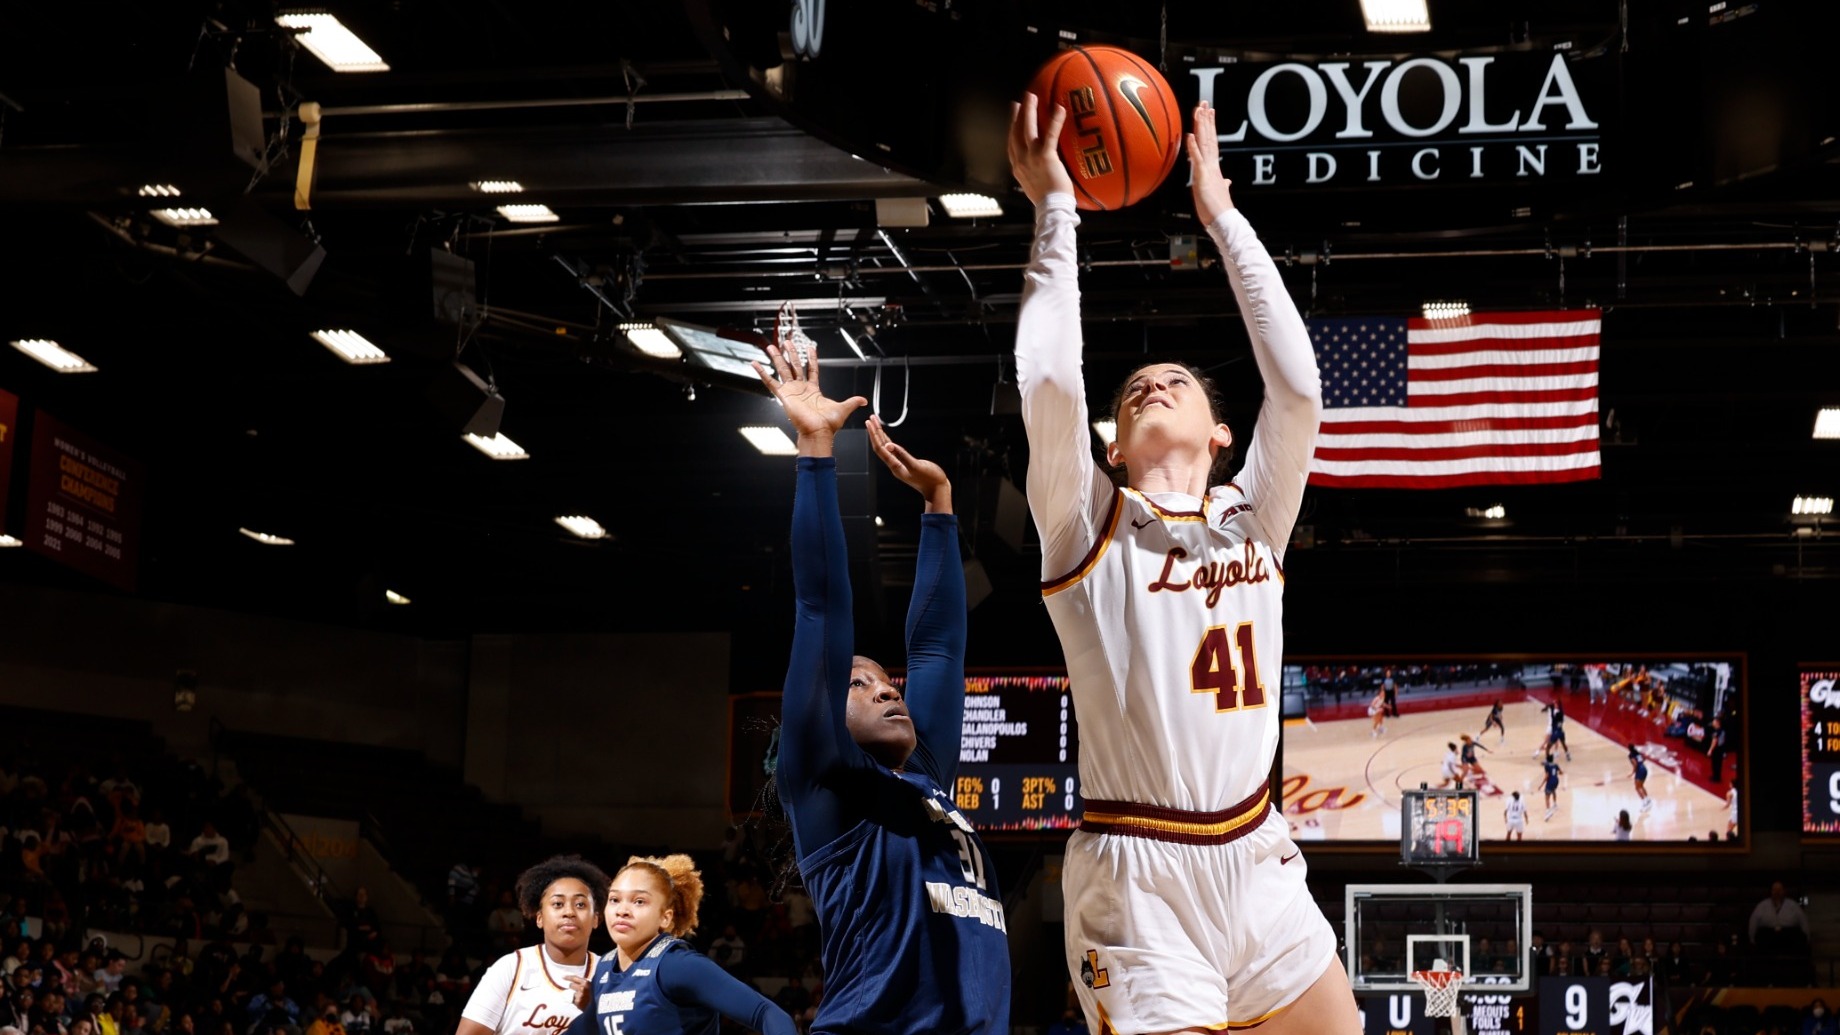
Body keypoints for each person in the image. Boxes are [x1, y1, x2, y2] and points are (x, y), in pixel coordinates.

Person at [1010, 96, 1355, 1034]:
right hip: (1137, 875)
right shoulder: (1086, 523)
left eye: (1177, 382)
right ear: (1113, 448)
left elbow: (1299, 386)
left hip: (1256, 852)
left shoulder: (1255, 517)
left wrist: (1224, 218)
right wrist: (1055, 210)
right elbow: (1048, 380)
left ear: (1220, 431)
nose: (1152, 384)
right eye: (1133, 393)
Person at [751, 344, 1010, 1034]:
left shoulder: (923, 779)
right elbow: (822, 610)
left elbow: (937, 649)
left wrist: (939, 502)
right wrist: (815, 450)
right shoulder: (829, 779)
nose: (888, 690)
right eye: (858, 683)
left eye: (887, 681)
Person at [564, 856, 793, 1035]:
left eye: (639, 901)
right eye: (615, 899)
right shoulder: (604, 969)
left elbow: (766, 1013)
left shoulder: (677, 965)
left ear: (665, 917)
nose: (622, 910)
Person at [457, 856, 608, 1035]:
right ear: (539, 918)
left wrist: (595, 1010)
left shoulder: (610, 975)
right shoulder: (511, 968)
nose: (569, 912)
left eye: (580, 904)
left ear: (596, 918)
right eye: (558, 904)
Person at [1749, 881, 1810, 954]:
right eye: (1774, 890)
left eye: (1779, 890)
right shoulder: (1762, 906)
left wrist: (1807, 937)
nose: (1777, 892)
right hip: (1768, 935)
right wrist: (1752, 939)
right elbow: (1753, 922)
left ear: (1784, 891)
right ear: (1771, 891)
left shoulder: (1793, 905)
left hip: (1789, 935)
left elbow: (1803, 921)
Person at [1628, 745, 1652, 813]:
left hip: (1640, 770)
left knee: (1637, 787)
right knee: (1641, 786)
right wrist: (1640, 763)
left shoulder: (1631, 755)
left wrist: (1632, 772)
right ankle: (1648, 800)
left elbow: (1635, 764)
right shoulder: (1638, 752)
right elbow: (1644, 758)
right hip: (1644, 769)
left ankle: (1644, 803)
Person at [1541, 754, 1564, 822]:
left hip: (1550, 781)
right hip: (1556, 780)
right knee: (1553, 791)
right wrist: (1556, 774)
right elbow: (1561, 772)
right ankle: (1555, 804)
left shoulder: (1547, 766)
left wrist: (1541, 785)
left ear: (1547, 760)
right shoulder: (1555, 765)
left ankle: (1548, 811)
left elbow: (1546, 776)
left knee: (1547, 797)